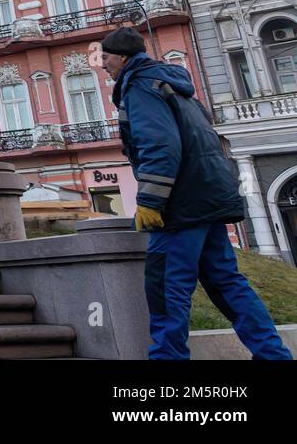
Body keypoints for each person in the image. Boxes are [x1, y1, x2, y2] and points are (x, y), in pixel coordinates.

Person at [101, 26, 292, 360]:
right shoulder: (175, 85)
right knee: (228, 284)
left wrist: (149, 200)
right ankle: (274, 355)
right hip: (207, 198)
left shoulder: (140, 86)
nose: (102, 64)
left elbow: (159, 146)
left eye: (104, 57)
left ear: (122, 57)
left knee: (165, 288)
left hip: (181, 205)